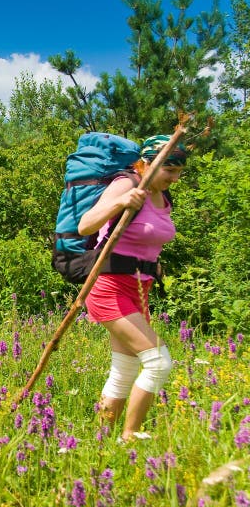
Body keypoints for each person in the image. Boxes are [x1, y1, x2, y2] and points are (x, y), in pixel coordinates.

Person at [78, 134, 187, 442]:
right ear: (147, 163)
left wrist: (153, 265)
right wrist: (120, 202)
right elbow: (85, 225)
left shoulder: (162, 196)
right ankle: (130, 436)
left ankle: (102, 441)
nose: (175, 178)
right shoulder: (127, 184)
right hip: (109, 286)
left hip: (140, 288)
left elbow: (145, 237)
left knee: (124, 368)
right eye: (169, 170)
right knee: (158, 362)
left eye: (179, 172)